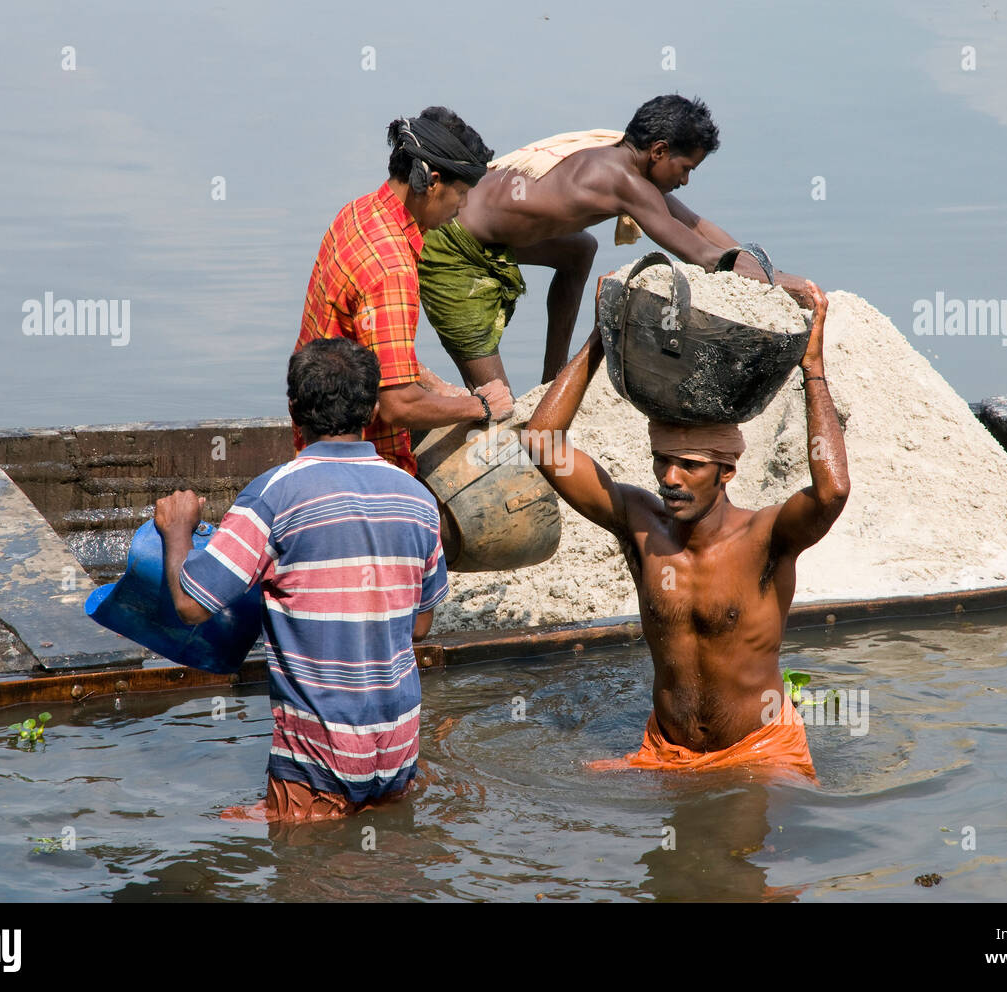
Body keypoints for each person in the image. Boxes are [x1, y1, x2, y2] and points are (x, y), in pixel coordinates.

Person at [521, 287, 847, 781]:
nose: (671, 478)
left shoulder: (766, 538)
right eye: (663, 461)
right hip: (664, 748)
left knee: (744, 848)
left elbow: (832, 493)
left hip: (760, 749)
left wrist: (813, 370)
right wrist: (602, 337)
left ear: (726, 472)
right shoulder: (640, 525)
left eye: (690, 465)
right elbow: (541, 441)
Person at [154, 338, 449, 821]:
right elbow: (419, 628)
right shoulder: (416, 498)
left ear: (293, 410)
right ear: (373, 408)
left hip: (320, 760)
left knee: (300, 867)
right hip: (399, 750)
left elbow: (191, 605)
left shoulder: (276, 494)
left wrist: (177, 532)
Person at [418, 94, 825, 389]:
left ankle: (551, 379)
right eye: (685, 169)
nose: (685, 181)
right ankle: (502, 405)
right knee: (496, 402)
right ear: (659, 151)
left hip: (486, 232)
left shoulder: (616, 151)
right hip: (451, 246)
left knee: (580, 249)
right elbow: (700, 254)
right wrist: (781, 286)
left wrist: (770, 269)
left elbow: (697, 225)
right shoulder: (623, 182)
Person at [293, 107, 514, 477]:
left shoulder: (357, 212)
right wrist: (480, 407)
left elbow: (371, 343)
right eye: (460, 194)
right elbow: (397, 406)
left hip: (313, 434)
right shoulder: (391, 267)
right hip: (361, 465)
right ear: (432, 181)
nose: (461, 209)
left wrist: (439, 387)